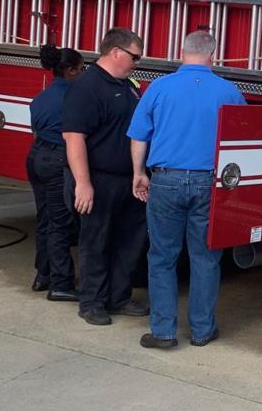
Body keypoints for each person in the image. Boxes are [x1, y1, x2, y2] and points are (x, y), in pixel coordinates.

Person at [127, 31, 245, 349]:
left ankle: (164, 332)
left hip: (166, 180)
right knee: (206, 258)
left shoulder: (159, 87)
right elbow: (242, 142)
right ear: (213, 55)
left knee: (162, 257)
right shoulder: (230, 91)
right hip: (210, 183)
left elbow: (139, 135)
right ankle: (202, 331)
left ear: (182, 52)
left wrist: (139, 173)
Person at [63, 27, 150, 326]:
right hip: (99, 179)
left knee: (129, 242)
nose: (137, 63)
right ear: (115, 52)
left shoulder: (128, 86)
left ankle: (118, 297)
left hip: (129, 180)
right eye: (134, 57)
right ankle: (92, 302)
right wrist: (83, 183)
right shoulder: (87, 87)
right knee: (96, 242)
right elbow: (74, 137)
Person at [26, 44, 84, 300]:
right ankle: (61, 284)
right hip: (58, 160)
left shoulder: (41, 97)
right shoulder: (74, 98)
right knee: (61, 223)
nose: (83, 74)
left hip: (36, 158)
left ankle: (44, 274)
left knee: (45, 218)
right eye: (81, 69)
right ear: (70, 71)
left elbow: (35, 133)